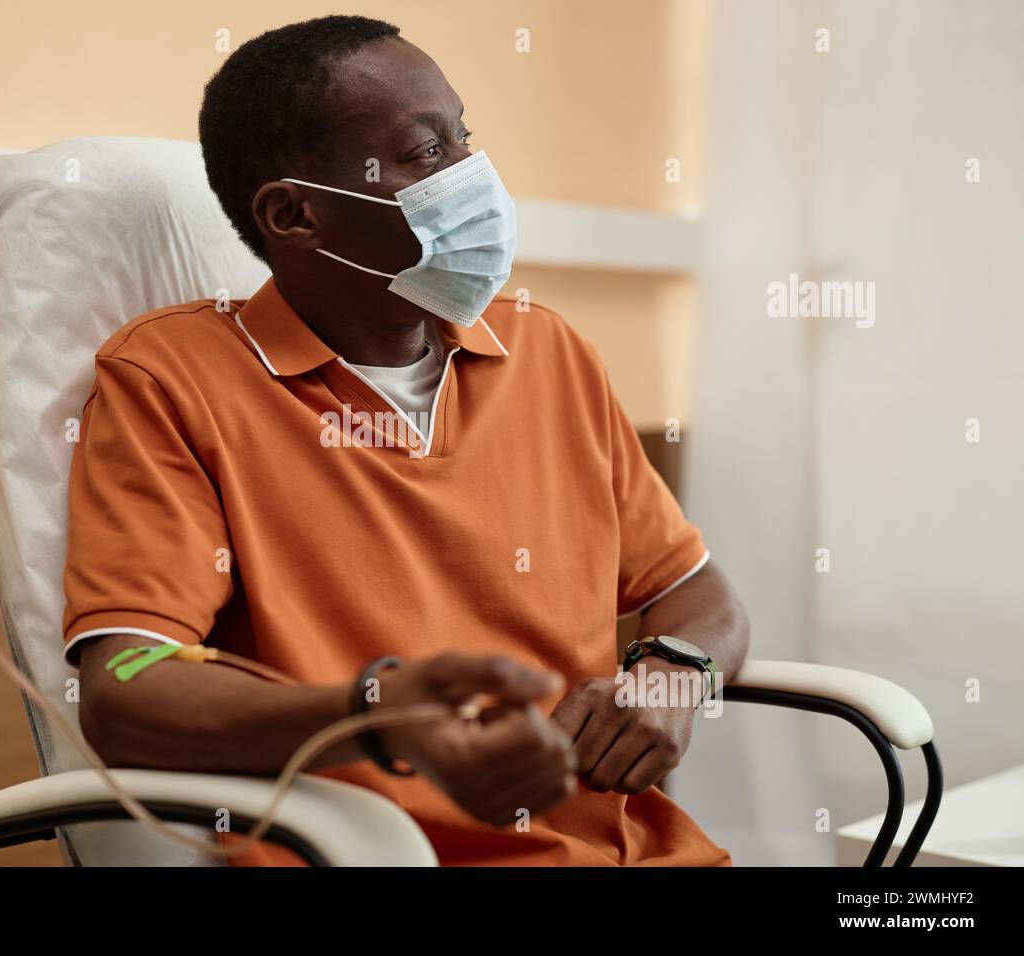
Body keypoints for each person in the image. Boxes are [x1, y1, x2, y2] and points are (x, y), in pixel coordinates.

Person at [63, 14, 748, 866]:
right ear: (295, 214)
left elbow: (698, 591)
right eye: (427, 155)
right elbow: (128, 689)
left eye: (465, 138)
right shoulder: (173, 380)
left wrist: (673, 673)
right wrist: (380, 717)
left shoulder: (548, 352)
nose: (475, 178)